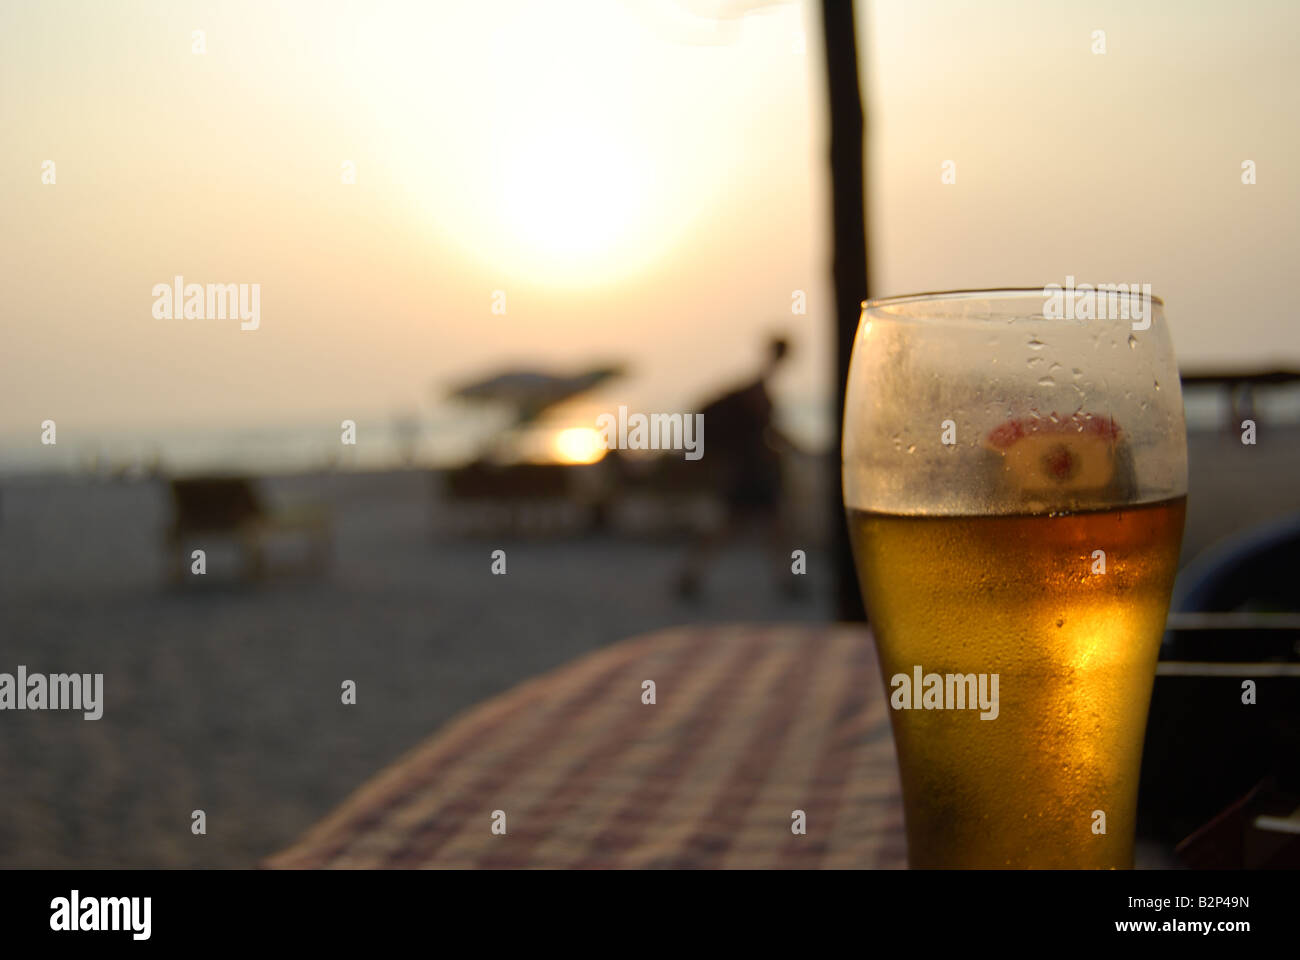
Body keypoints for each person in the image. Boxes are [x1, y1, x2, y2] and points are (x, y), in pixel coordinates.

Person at [676, 335, 800, 600]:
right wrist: (792, 446)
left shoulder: (755, 386)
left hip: (747, 471)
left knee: (757, 527)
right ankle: (691, 575)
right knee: (754, 527)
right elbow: (765, 432)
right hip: (751, 473)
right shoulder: (758, 389)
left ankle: (692, 576)